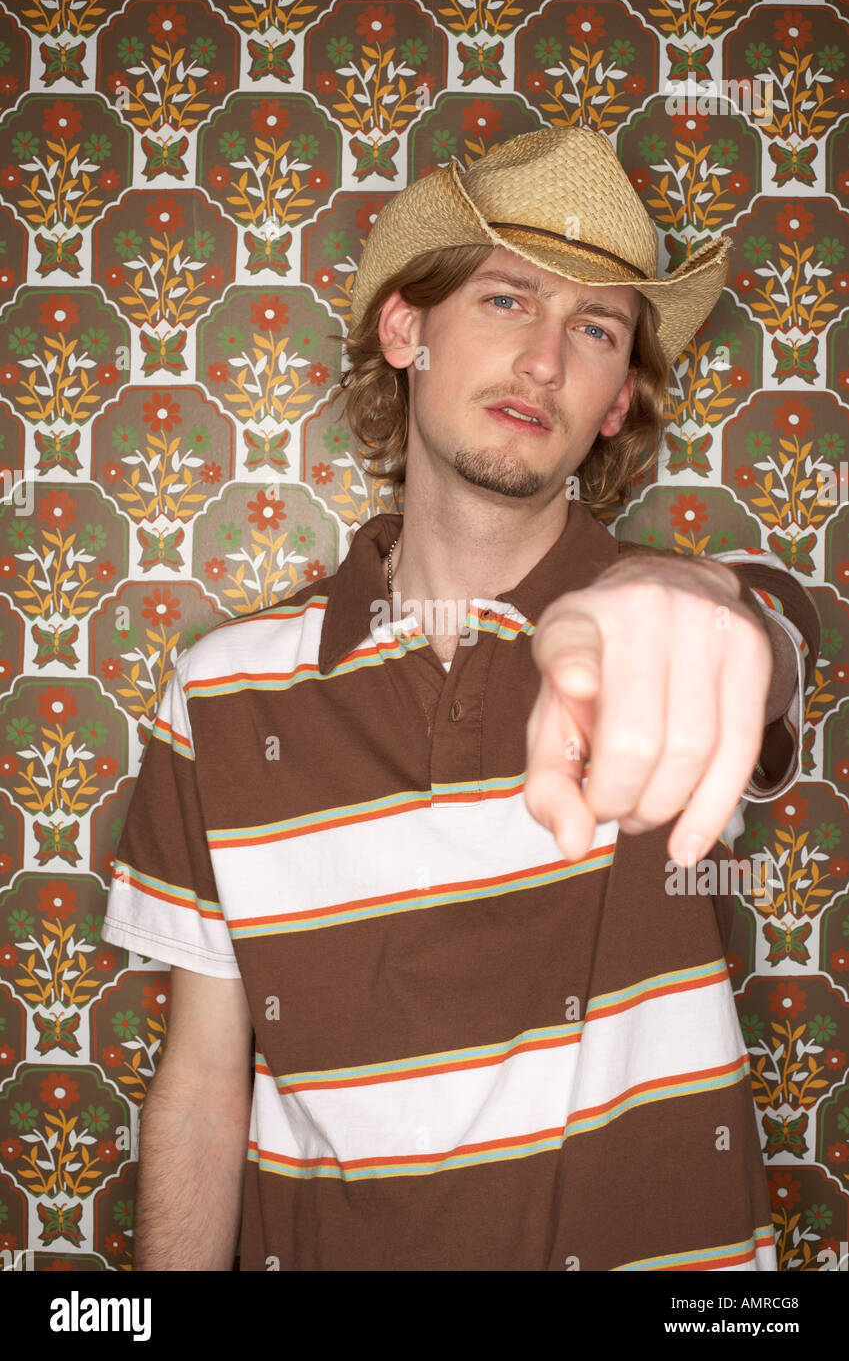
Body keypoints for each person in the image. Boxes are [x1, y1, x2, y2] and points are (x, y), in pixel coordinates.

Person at [103, 125, 820, 1272]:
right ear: (406, 329)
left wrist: (729, 608)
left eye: (595, 330)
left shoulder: (660, 638)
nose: (546, 360)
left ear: (615, 404)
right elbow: (199, 1081)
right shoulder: (221, 690)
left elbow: (768, 635)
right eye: (505, 300)